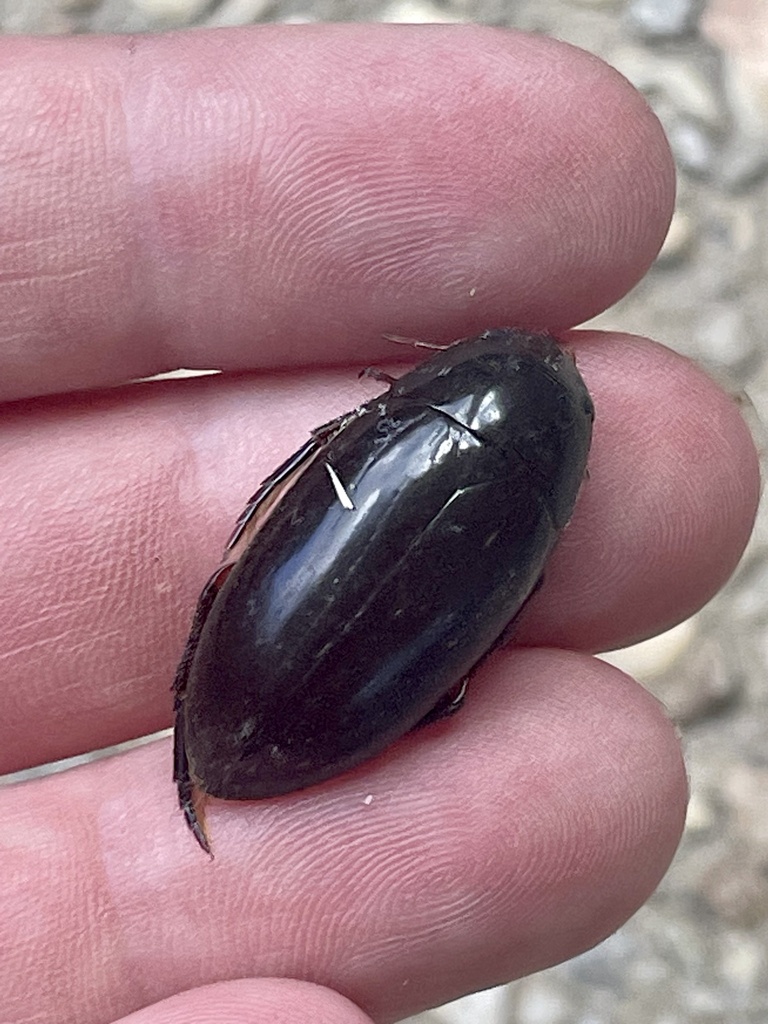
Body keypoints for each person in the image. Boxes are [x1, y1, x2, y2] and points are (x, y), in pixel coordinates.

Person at [0, 22, 759, 1024]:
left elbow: (285, 509)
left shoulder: (398, 433)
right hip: (300, 687)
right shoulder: (515, 517)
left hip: (284, 676)